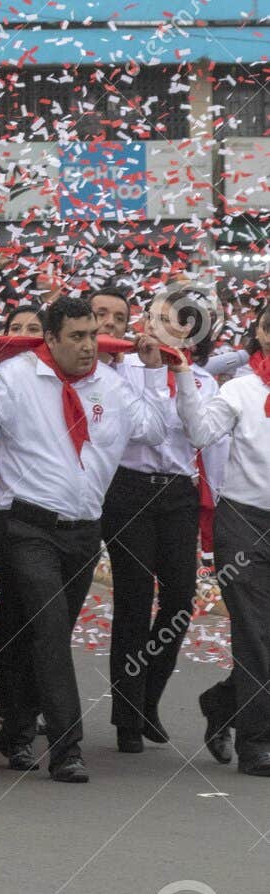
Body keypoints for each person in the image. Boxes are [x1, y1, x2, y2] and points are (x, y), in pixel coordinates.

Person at [0, 296, 171, 784]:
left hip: (82, 531)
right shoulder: (14, 378)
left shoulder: (112, 385)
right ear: (50, 338)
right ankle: (67, 746)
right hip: (24, 527)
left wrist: (154, 374)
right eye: (76, 336)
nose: (88, 346)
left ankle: (15, 728)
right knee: (48, 629)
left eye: (93, 335)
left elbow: (155, 430)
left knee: (35, 632)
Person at [103, 291, 227, 753]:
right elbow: (142, 429)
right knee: (134, 598)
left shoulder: (201, 380)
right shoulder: (121, 368)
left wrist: (174, 374)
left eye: (171, 323)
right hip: (129, 488)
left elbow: (204, 441)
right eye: (154, 318)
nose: (155, 328)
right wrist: (154, 372)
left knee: (179, 600)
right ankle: (126, 715)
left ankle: (147, 698)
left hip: (177, 492)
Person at [175, 299, 270, 776]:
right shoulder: (241, 390)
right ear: (262, 334)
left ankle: (221, 701)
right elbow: (199, 433)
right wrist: (183, 382)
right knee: (255, 634)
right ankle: (257, 743)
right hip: (246, 524)